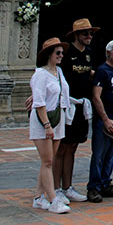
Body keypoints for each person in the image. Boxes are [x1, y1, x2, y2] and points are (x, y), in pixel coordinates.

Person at [55, 18, 97, 205]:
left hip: (82, 105)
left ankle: (68, 187)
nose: (89, 36)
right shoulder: (66, 54)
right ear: (76, 36)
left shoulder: (88, 53)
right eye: (85, 33)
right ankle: (56, 188)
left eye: (90, 33)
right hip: (67, 104)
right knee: (61, 148)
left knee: (73, 147)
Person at [29, 36, 71, 213]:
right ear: (49, 54)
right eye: (58, 52)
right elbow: (39, 102)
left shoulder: (58, 72)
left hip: (57, 118)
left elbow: (60, 95)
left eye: (62, 52)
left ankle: (39, 197)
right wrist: (46, 125)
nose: (61, 55)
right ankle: (53, 199)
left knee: (48, 161)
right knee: (47, 161)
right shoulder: (40, 74)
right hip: (44, 120)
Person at [86, 39, 113, 201]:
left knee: (110, 155)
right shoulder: (102, 71)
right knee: (98, 155)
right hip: (104, 122)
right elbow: (96, 97)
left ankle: (105, 184)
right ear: (108, 52)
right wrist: (105, 119)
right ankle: (93, 188)